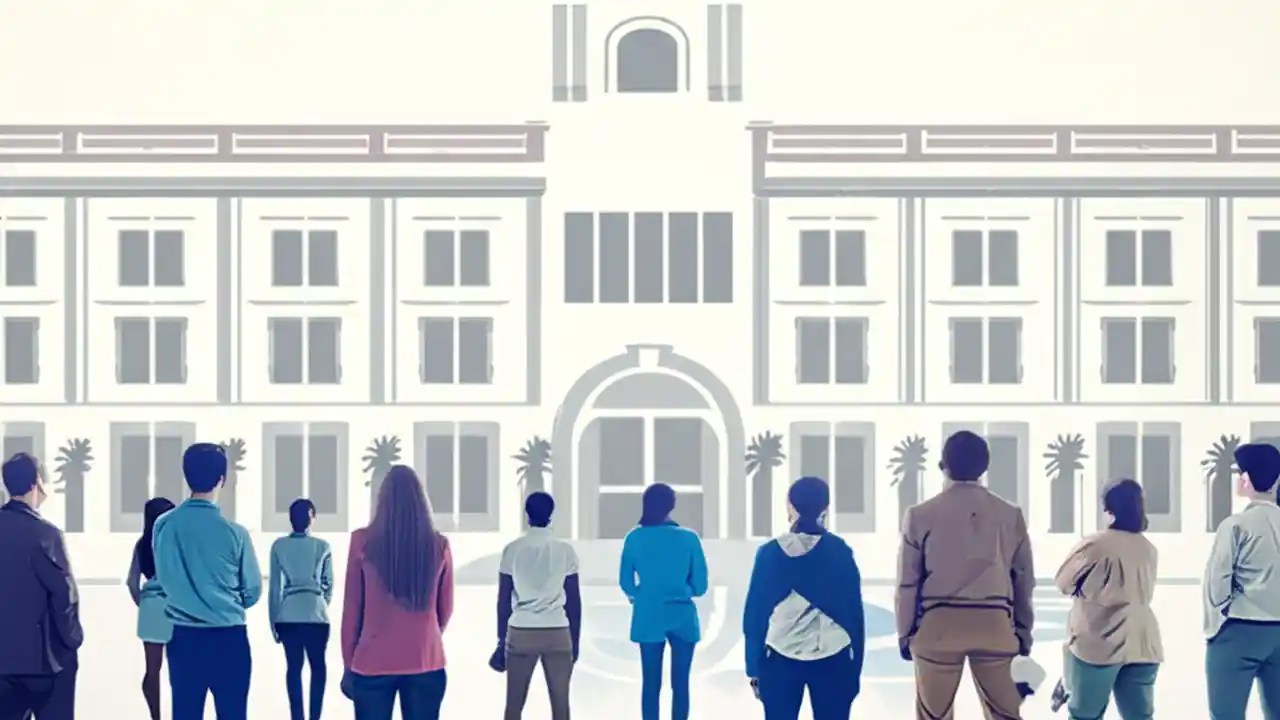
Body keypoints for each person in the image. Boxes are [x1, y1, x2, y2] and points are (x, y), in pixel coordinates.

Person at [895, 430, 1035, 720]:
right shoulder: (1011, 515)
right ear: (985, 467)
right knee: (1005, 715)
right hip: (996, 625)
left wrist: (906, 634)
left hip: (937, 629)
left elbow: (907, 583)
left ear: (942, 466)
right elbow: (1023, 580)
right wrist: (1023, 633)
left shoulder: (919, 515)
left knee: (933, 716)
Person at [152, 442, 263, 720]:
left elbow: (163, 576)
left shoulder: (164, 525)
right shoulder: (235, 533)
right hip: (229, 638)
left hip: (183, 638)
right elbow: (252, 591)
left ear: (186, 475)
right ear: (221, 479)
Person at [742, 476, 865, 720]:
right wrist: (856, 667)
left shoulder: (770, 553)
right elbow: (854, 615)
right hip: (834, 656)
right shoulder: (839, 551)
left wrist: (754, 668)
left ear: (791, 507)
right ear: (825, 508)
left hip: (780, 656)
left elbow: (755, 616)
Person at [341, 465, 454, 720]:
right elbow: (445, 609)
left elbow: (352, 609)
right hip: (425, 659)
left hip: (372, 661)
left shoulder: (362, 542)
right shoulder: (439, 545)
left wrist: (349, 664)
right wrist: (422, 637)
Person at [1053, 479, 1162, 720]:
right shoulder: (1148, 549)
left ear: (1109, 511)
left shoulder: (1095, 544)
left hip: (1099, 642)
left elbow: (1063, 582)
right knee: (1140, 716)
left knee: (1084, 715)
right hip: (1143, 643)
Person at [0, 453, 83, 720]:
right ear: (36, 482)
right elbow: (63, 594)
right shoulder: (45, 534)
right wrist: (73, 639)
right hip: (43, 662)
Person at [618, 483, 709, 720]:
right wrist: (682, 589)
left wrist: (643, 595)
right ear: (672, 506)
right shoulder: (689, 538)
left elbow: (626, 583)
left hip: (648, 616)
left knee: (650, 684)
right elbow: (701, 586)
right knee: (681, 684)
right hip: (683, 618)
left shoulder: (634, 538)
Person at [1203, 442, 1280, 719]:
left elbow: (1217, 586)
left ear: (1246, 479)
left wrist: (1222, 613)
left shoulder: (1236, 525)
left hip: (1239, 630)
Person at [493, 491, 582, 720]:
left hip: (522, 632)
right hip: (557, 632)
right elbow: (574, 602)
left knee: (514, 706)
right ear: (552, 514)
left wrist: (501, 641)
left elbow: (503, 601)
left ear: (527, 514)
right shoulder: (565, 551)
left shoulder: (512, 550)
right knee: (561, 707)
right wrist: (575, 640)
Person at [270, 498, 335, 720]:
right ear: (312, 518)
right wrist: (319, 602)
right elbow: (328, 585)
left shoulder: (279, 546)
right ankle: (315, 717)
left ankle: (297, 717)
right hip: (317, 615)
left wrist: (273, 621)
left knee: (293, 668)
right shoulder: (323, 546)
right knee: (318, 668)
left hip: (288, 615)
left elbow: (275, 589)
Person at [127, 496, 177, 720]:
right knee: (179, 669)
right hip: (176, 607)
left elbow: (132, 582)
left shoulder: (142, 544)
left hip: (151, 608)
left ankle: (155, 716)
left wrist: (144, 602)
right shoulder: (175, 542)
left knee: (152, 670)